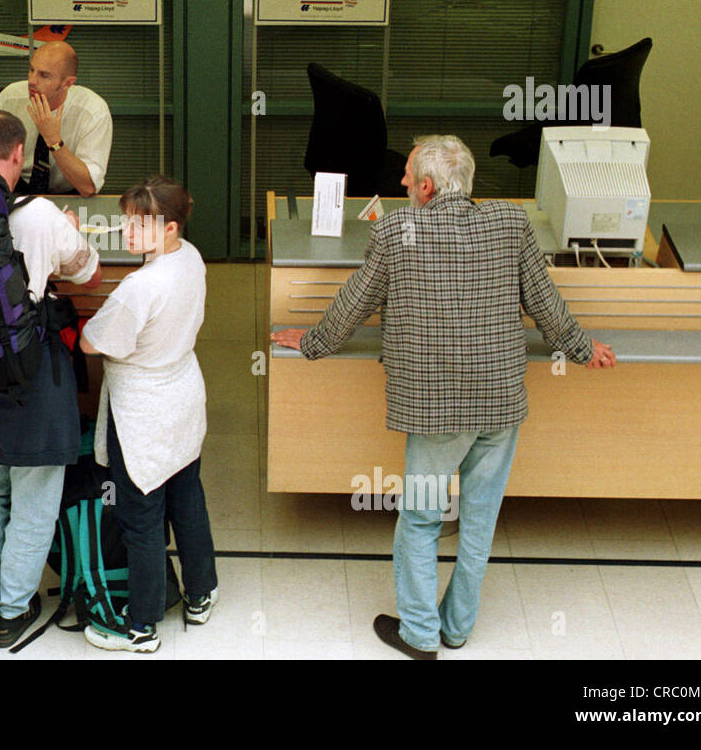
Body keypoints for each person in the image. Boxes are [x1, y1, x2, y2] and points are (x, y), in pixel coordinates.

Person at [271, 135, 617, 660]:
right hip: (500, 403)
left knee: (422, 518)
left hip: (438, 412)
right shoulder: (511, 222)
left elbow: (354, 303)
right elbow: (545, 303)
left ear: (427, 187)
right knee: (479, 521)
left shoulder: (394, 231)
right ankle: (457, 628)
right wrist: (582, 347)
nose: (402, 181)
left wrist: (313, 341)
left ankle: (419, 634)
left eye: (408, 175)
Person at [0, 110, 103, 649]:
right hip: (32, 374)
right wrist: (70, 234)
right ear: (19, 154)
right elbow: (91, 274)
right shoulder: (40, 214)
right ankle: (12, 611)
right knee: (35, 499)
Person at [79, 175, 217, 653]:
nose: (128, 232)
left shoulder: (139, 288)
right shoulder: (192, 258)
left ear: (170, 227)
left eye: (140, 225)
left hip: (142, 413)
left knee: (140, 518)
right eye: (127, 222)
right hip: (182, 397)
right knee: (187, 499)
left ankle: (140, 627)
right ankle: (200, 594)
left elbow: (93, 343)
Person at [0, 41, 112, 197]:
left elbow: (88, 187)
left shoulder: (93, 111)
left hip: (70, 193)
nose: (32, 81)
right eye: (32, 70)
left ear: (67, 83)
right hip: (18, 188)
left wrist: (53, 139)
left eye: (44, 75)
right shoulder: (10, 98)